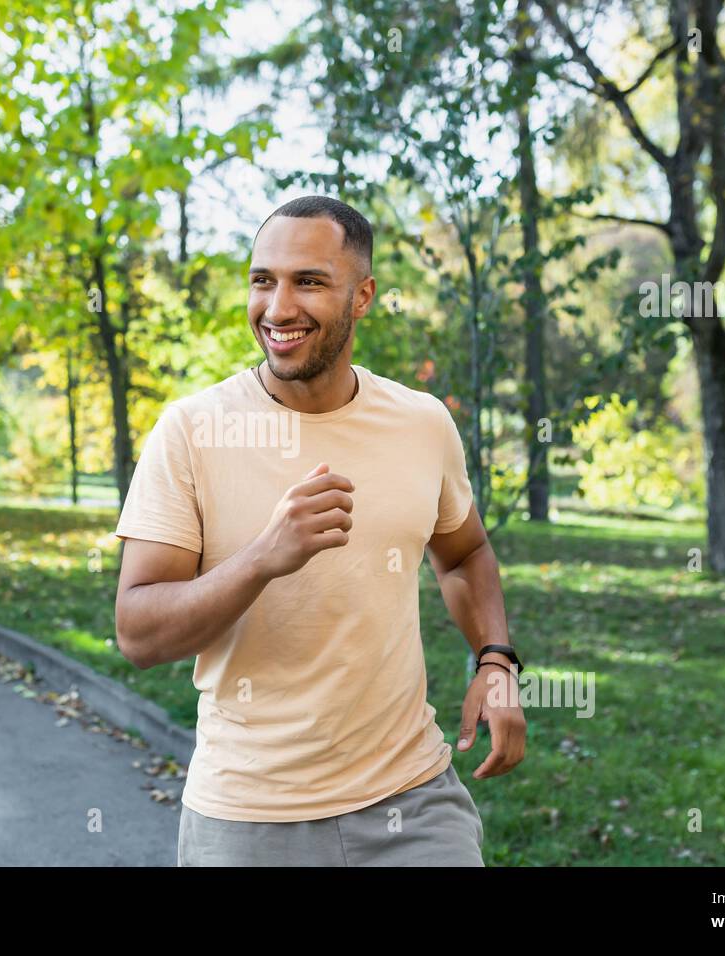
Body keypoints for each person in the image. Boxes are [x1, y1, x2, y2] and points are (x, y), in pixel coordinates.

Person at [113, 195, 526, 866]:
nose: (277, 308)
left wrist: (497, 661)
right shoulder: (190, 431)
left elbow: (465, 553)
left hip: (413, 802)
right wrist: (262, 559)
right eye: (262, 280)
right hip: (248, 819)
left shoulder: (421, 423)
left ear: (362, 296)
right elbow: (138, 632)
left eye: (308, 281)